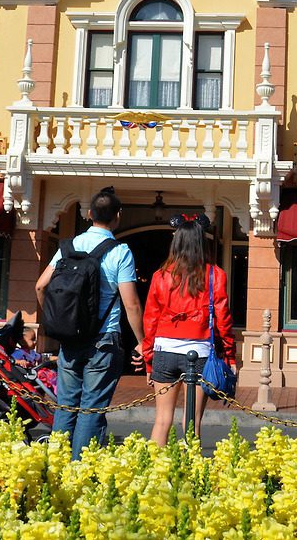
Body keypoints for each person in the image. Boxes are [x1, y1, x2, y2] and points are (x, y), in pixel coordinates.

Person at [35, 186, 144, 459]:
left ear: (88, 213)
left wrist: (55, 321)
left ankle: (57, 463)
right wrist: (143, 341)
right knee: (91, 407)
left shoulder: (67, 247)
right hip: (104, 340)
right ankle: (80, 469)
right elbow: (131, 303)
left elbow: (40, 286)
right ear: (118, 216)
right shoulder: (120, 252)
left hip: (69, 339)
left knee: (66, 404)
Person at [141, 214, 237, 443]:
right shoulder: (215, 275)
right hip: (200, 351)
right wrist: (231, 356)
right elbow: (223, 319)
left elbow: (150, 320)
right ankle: (191, 474)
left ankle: (154, 475)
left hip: (165, 350)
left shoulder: (160, 276)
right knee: (192, 421)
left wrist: (148, 359)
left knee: (162, 420)